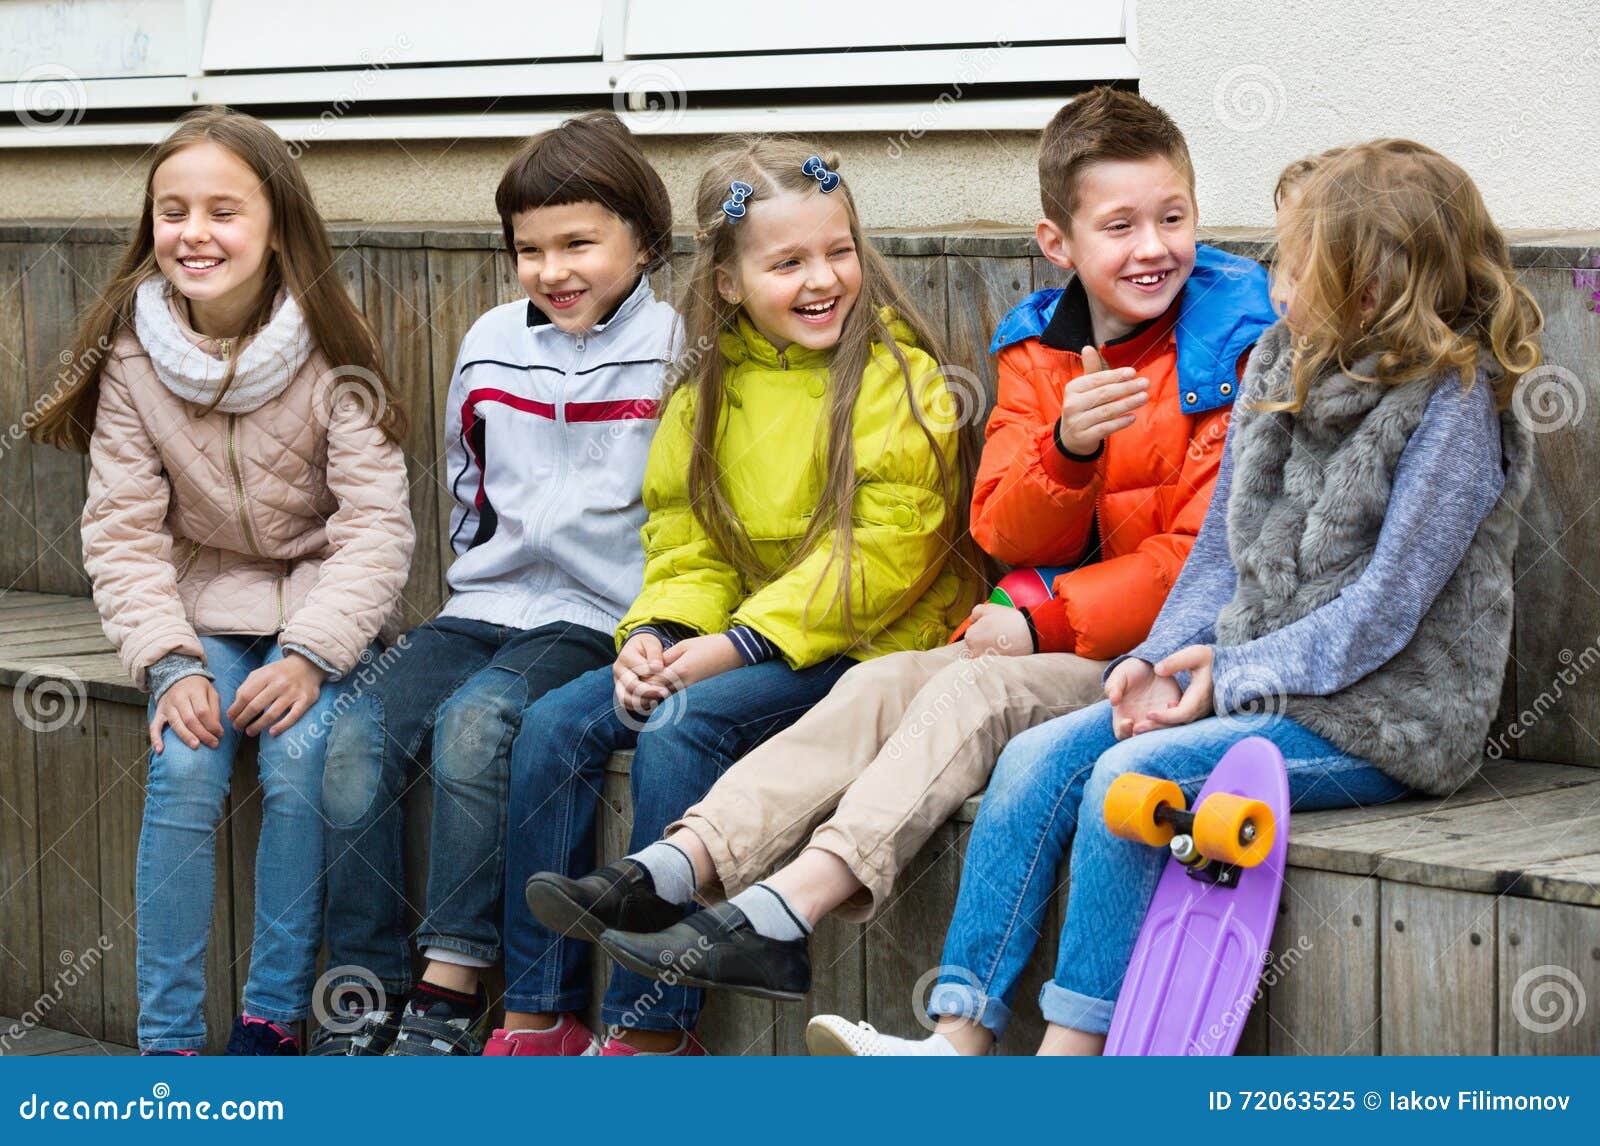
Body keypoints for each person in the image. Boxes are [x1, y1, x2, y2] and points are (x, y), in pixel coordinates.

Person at [806, 139, 1542, 1056]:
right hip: (1254, 683)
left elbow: (1385, 610)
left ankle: (1070, 1061)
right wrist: (1155, 660)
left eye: (1295, 262)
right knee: (1038, 758)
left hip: (1386, 718)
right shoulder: (1281, 360)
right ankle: (955, 1040)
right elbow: (1218, 561)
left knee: (1131, 778)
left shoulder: (1455, 404)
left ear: (1365, 288)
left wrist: (1228, 677)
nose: (1274, 279)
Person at [587, 87, 1276, 1006]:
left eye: (1172, 218)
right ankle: (681, 862)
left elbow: (1205, 562)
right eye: (1121, 226)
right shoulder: (1040, 347)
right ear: (1057, 244)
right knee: (878, 682)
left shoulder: (1236, 348)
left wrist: (1042, 622)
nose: (1152, 247)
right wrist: (1065, 453)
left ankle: (787, 913)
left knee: (974, 685)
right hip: (1055, 631)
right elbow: (1001, 526)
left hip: (1159, 658)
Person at [506, 136, 984, 1056]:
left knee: (686, 722)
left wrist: (739, 646)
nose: (823, 279)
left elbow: (880, 554)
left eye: (838, 252)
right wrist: (660, 630)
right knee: (553, 727)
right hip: (746, 635)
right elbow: (686, 535)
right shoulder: (707, 386)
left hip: (868, 645)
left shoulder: (901, 379)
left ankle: (650, 1035)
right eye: (788, 262)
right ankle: (537, 1017)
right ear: (727, 281)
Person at [33, 108, 415, 1056]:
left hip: (321, 606)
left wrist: (312, 655)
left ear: (276, 225)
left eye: (222, 211)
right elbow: (121, 534)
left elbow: (375, 527)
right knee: (188, 762)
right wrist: (168, 662)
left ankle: (270, 1022)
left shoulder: (333, 339)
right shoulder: (130, 353)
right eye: (173, 210)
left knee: (298, 759)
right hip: (199, 606)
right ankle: (168, 1042)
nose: (194, 233)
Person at [315, 112, 679, 1057]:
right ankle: (362, 989)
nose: (554, 269)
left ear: (643, 240)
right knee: (353, 730)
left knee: (479, 727)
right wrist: (475, 582)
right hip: (482, 602)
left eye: (579, 243)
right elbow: (466, 483)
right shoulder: (489, 343)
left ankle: (450, 985)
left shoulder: (679, 350)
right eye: (529, 249)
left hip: (599, 614)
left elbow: (686, 501)